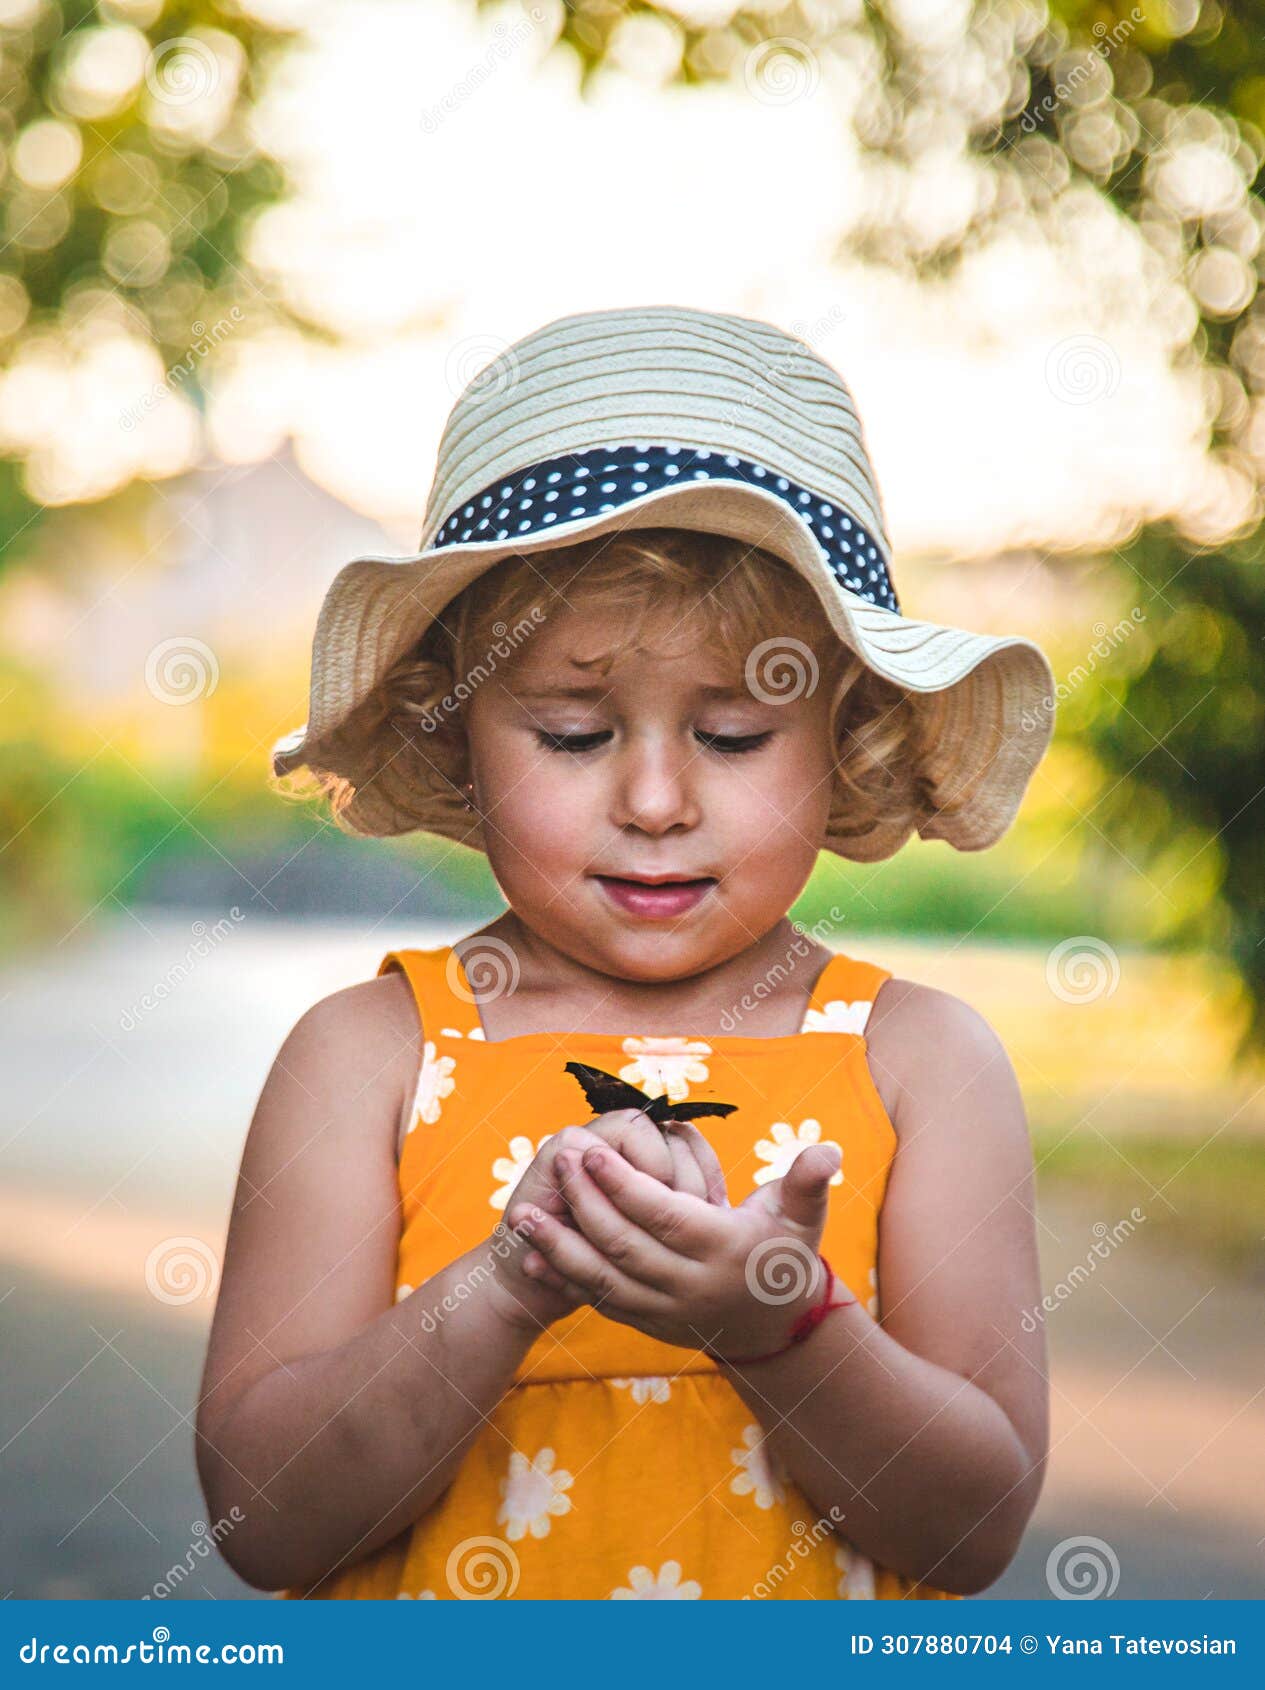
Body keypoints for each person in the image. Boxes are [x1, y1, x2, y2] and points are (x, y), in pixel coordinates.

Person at [195, 304, 1056, 1601]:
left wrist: (780, 1321)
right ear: (455, 736)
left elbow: (969, 1531)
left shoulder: (916, 1060)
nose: (655, 801)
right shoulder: (372, 1055)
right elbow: (265, 1522)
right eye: (571, 733)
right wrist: (507, 1282)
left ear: (848, 735)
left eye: (731, 736)